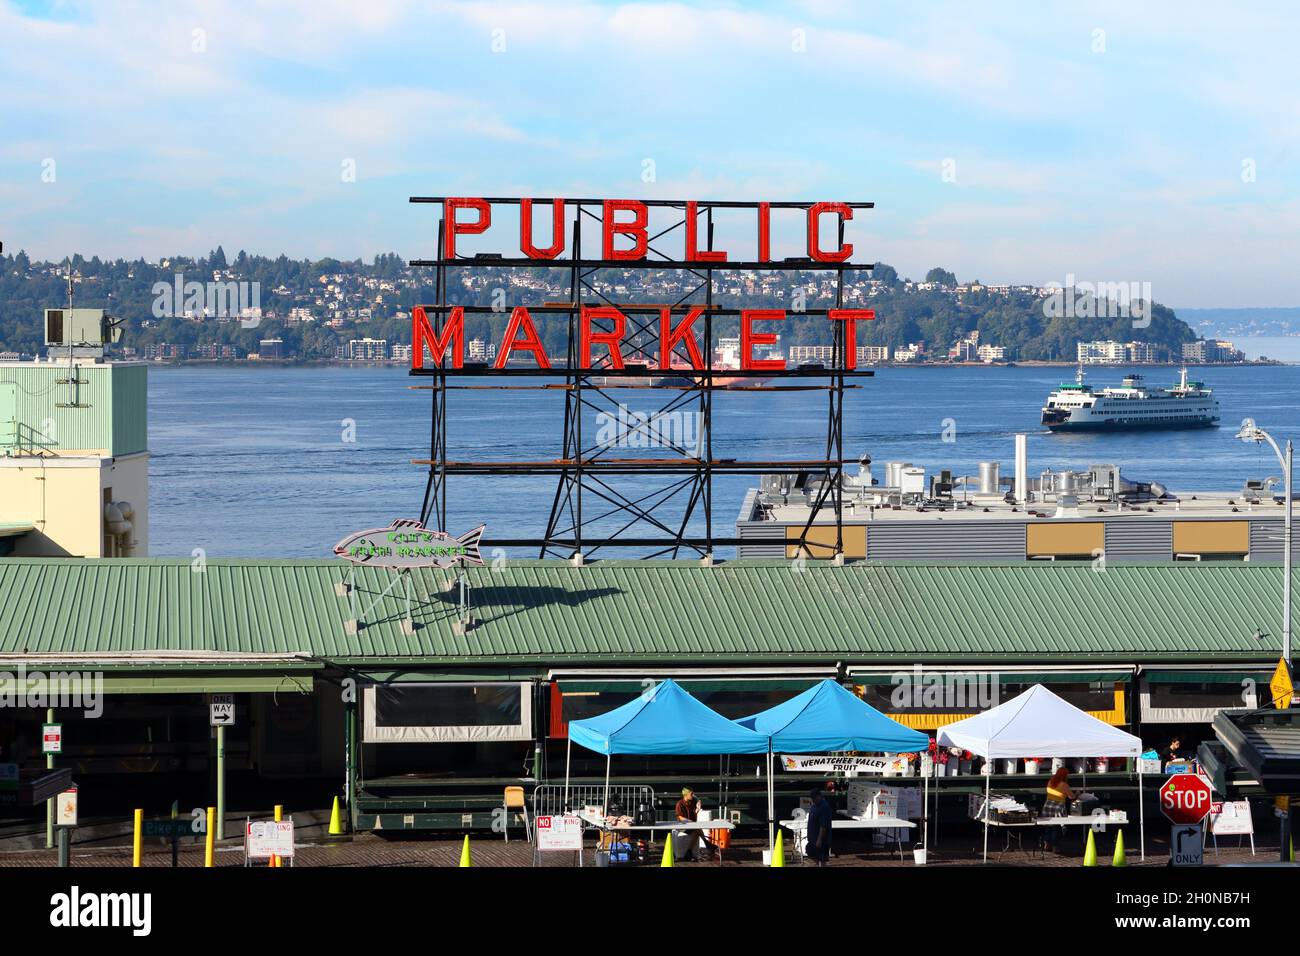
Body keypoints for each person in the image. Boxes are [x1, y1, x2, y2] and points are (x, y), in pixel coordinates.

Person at [1041, 767, 1075, 852]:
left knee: (1048, 827)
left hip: (1047, 806)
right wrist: (1077, 793)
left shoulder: (1050, 782)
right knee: (1056, 828)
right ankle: (1055, 847)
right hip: (1057, 807)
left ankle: (1047, 844)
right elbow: (1071, 797)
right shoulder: (1064, 785)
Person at [674, 787, 705, 862]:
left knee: (698, 831)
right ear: (686, 795)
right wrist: (689, 821)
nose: (693, 795)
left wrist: (699, 805)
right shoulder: (680, 804)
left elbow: (697, 802)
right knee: (698, 830)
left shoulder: (693, 801)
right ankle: (707, 845)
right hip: (682, 826)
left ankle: (689, 851)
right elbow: (679, 817)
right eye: (691, 794)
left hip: (692, 825)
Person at [804, 788, 833, 866]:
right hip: (813, 838)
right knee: (810, 852)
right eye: (812, 798)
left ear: (819, 796)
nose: (813, 800)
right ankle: (818, 865)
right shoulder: (815, 805)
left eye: (814, 798)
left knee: (822, 858)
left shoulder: (824, 807)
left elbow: (823, 825)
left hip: (821, 839)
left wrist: (819, 839)